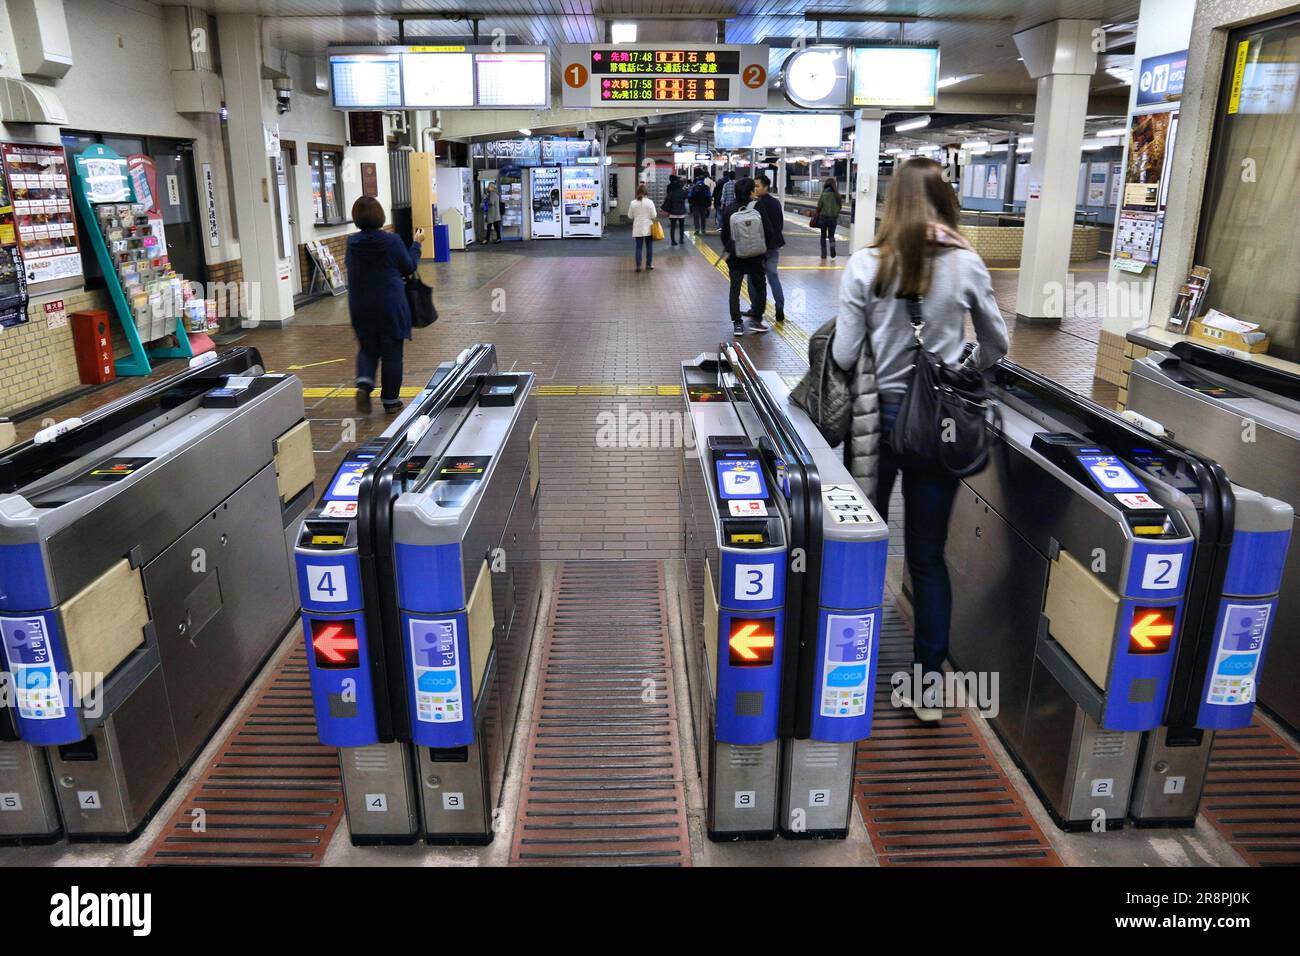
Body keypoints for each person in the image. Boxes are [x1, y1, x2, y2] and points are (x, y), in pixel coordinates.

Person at [831, 158, 1007, 723]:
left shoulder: (865, 264)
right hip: (942, 427)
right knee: (927, 557)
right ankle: (927, 688)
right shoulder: (967, 263)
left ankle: (847, 674)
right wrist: (959, 366)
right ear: (946, 201)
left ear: (893, 202)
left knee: (862, 546)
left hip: (875, 426)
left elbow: (841, 354)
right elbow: (998, 345)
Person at [346, 196, 423, 414]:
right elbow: (408, 267)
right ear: (380, 216)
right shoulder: (392, 241)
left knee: (368, 348)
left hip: (361, 305)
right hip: (390, 304)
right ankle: (390, 401)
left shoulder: (352, 244)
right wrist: (417, 244)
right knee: (392, 353)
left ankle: (364, 384)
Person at [720, 176, 774, 338]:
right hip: (757, 256)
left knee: (735, 289)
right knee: (760, 286)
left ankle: (737, 324)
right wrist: (764, 250)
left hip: (736, 257)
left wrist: (732, 249)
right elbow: (769, 231)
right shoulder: (758, 207)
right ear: (751, 191)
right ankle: (757, 319)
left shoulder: (729, 209)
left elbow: (724, 236)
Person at [745, 174, 786, 323]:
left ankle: (755, 307)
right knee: (773, 276)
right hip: (774, 246)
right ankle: (779, 306)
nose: (755, 189)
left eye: (757, 186)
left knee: (752, 277)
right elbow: (780, 225)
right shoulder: (776, 203)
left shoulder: (754, 204)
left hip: (759, 248)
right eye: (753, 186)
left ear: (766, 187)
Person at [627, 182, 657, 272]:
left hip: (638, 227)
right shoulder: (650, 202)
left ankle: (638, 265)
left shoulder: (633, 203)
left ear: (637, 192)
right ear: (646, 192)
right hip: (648, 227)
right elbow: (654, 215)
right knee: (649, 246)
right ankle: (648, 265)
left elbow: (630, 216)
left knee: (638, 247)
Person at [814, 178, 841, 259]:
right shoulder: (837, 195)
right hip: (833, 219)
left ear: (826, 184)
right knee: (831, 236)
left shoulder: (824, 194)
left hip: (823, 218)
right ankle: (832, 248)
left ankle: (824, 254)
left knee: (823, 236)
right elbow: (840, 207)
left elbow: (819, 206)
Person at [664, 174, 688, 246]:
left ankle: (673, 241)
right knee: (681, 226)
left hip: (672, 212)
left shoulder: (672, 192)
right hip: (681, 212)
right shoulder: (684, 192)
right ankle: (681, 240)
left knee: (673, 227)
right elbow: (687, 197)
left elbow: (667, 199)